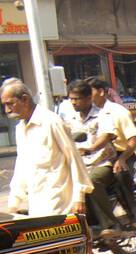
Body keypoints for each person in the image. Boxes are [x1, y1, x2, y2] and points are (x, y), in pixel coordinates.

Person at [0, 80, 92, 219]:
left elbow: (74, 159)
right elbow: (22, 166)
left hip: (59, 202)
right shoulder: (20, 128)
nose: (7, 110)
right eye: (4, 105)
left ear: (24, 99)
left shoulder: (50, 122)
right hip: (37, 201)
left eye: (10, 104)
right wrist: (14, 202)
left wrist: (79, 197)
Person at [57, 80, 120, 238]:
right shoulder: (69, 119)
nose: (73, 102)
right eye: (71, 98)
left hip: (102, 163)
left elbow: (106, 135)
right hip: (80, 166)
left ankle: (109, 224)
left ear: (88, 98)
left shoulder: (102, 114)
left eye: (76, 98)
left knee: (91, 182)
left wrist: (91, 148)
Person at [89, 77, 136, 217]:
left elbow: (132, 142)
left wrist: (122, 159)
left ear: (100, 92)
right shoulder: (92, 114)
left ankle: (132, 213)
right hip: (103, 155)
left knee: (118, 174)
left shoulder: (118, 112)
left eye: (89, 92)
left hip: (122, 154)